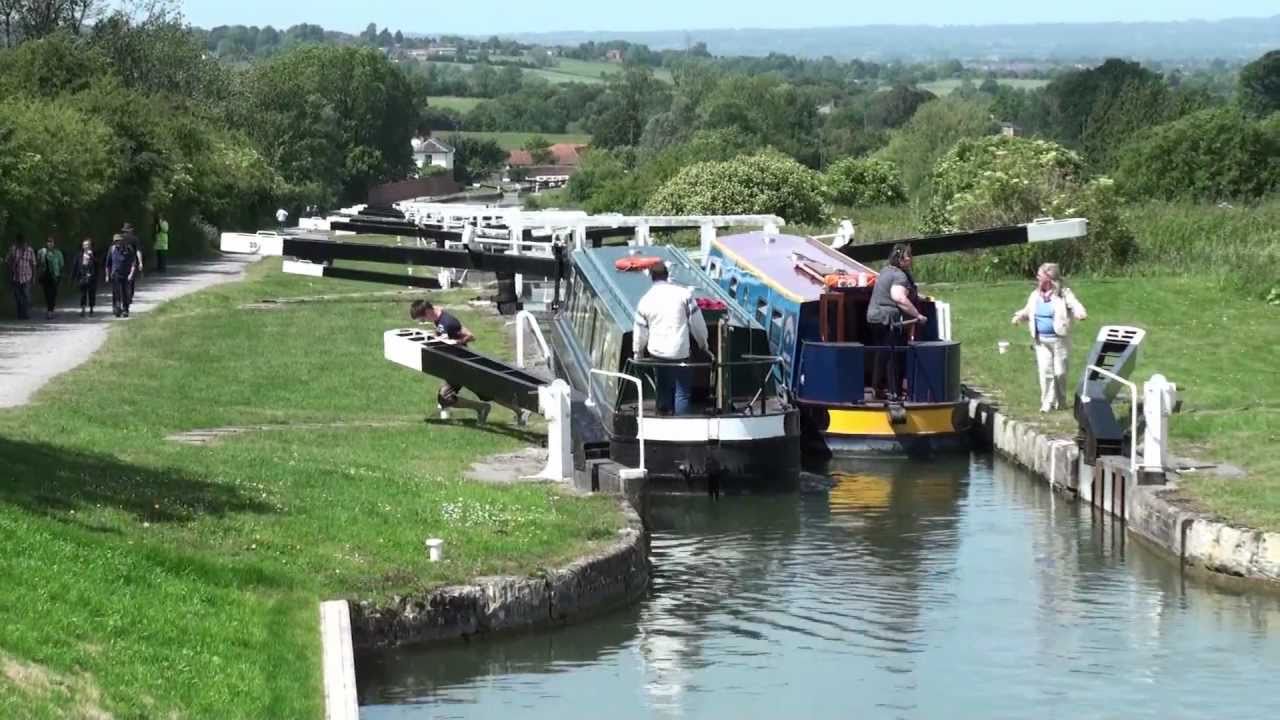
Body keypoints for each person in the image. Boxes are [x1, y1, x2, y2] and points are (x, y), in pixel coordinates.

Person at [633, 260, 709, 416]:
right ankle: (681, 425)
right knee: (682, 394)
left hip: (658, 354)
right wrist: (703, 344)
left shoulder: (645, 301)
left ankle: (663, 419)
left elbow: (641, 332)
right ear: (667, 275)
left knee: (663, 389)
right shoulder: (684, 295)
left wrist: (637, 352)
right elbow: (697, 325)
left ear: (652, 277)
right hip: (680, 352)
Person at [1011, 262, 1088, 413]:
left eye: (1040, 275)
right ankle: (1046, 404)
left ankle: (1061, 402)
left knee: (1060, 373)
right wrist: (1019, 317)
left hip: (1059, 339)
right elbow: (1028, 310)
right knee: (1045, 372)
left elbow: (1075, 304)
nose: (1037, 278)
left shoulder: (1063, 293)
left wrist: (1080, 313)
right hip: (1041, 340)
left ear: (1049, 278)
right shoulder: (1035, 295)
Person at [409, 299, 491, 422]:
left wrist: (457, 342)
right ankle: (484, 407)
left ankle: (483, 408)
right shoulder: (437, 317)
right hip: (454, 364)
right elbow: (443, 333)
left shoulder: (448, 321)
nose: (423, 321)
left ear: (427, 311)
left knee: (486, 393)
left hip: (462, 363)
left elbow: (471, 336)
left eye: (423, 318)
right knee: (485, 393)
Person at [866, 243, 927, 401]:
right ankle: (895, 393)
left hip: (873, 317)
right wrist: (917, 315)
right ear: (901, 259)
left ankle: (877, 389)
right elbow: (898, 297)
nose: (911, 258)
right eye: (908, 256)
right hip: (887, 320)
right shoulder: (900, 276)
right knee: (893, 355)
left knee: (881, 353)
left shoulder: (886, 270)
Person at [5, 234, 37, 320]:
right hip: (16, 277)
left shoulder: (30, 250)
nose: (22, 245)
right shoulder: (13, 249)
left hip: (27, 277)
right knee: (18, 297)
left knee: (27, 296)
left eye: (23, 243)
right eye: (20, 243)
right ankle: (20, 314)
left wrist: (34, 277)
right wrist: (10, 270)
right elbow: (7, 261)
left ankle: (26, 314)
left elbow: (33, 264)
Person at [105, 233, 138, 318]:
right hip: (115, 274)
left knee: (125, 293)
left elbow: (134, 262)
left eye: (119, 241)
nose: (118, 243)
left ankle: (125, 309)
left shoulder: (128, 249)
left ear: (122, 241)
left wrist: (131, 273)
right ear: (114, 242)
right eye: (116, 241)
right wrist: (107, 275)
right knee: (116, 293)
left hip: (125, 274)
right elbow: (107, 264)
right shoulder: (112, 249)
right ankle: (117, 309)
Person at [36, 236, 65, 319]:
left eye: (51, 242)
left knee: (53, 294)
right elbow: (38, 263)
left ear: (54, 243)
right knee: (47, 294)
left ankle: (50, 311)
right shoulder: (42, 252)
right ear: (46, 243)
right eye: (48, 242)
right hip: (45, 277)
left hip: (55, 276)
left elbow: (61, 265)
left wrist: (60, 276)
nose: (50, 243)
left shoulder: (58, 253)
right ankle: (49, 310)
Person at [71, 238, 98, 317]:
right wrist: (72, 278)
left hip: (92, 277)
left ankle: (91, 309)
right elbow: (75, 267)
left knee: (91, 294)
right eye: (85, 245)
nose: (87, 246)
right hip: (82, 277)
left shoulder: (94, 254)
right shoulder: (79, 255)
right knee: (83, 294)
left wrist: (92, 256)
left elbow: (98, 264)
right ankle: (83, 309)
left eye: (88, 245)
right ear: (82, 246)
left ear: (90, 246)